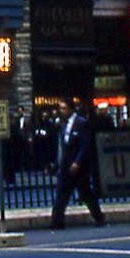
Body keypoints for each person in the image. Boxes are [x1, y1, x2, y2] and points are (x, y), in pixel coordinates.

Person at [50, 98, 104, 229]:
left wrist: (77, 162)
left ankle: (99, 217)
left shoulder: (81, 123)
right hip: (66, 163)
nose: (61, 111)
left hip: (78, 165)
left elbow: (85, 145)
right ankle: (57, 222)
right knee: (61, 193)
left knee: (85, 193)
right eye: (60, 108)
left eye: (63, 108)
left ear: (70, 109)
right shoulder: (63, 124)